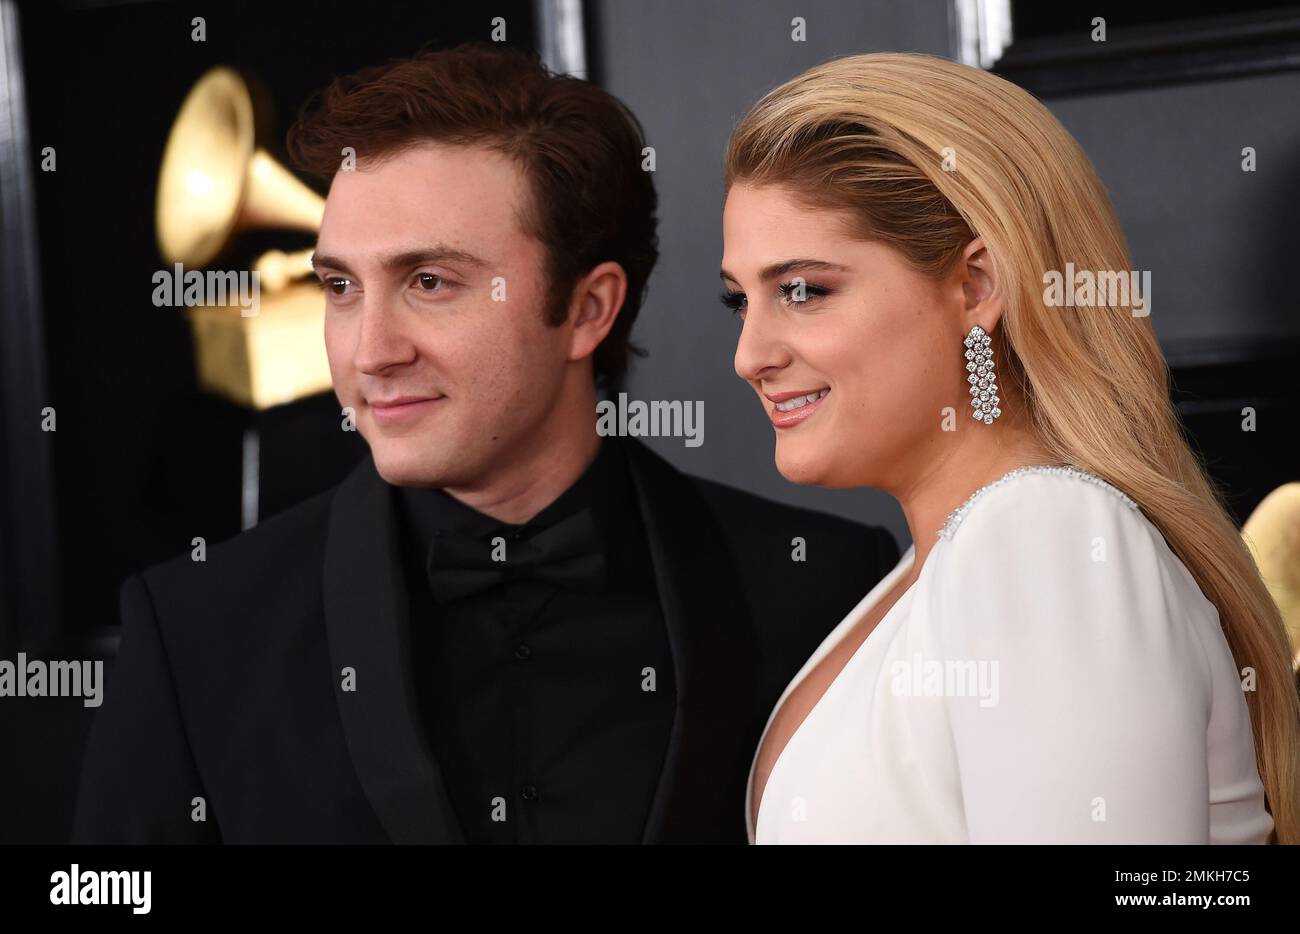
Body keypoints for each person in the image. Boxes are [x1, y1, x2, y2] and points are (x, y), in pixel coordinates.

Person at [70, 44, 898, 844]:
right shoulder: (193, 630)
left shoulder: (824, 590)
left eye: (429, 283)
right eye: (341, 288)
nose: (370, 352)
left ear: (587, 309)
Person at [720, 52, 1298, 844]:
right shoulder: (947, 561)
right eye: (739, 299)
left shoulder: (1041, 532)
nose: (750, 354)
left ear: (977, 285)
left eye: (804, 291)